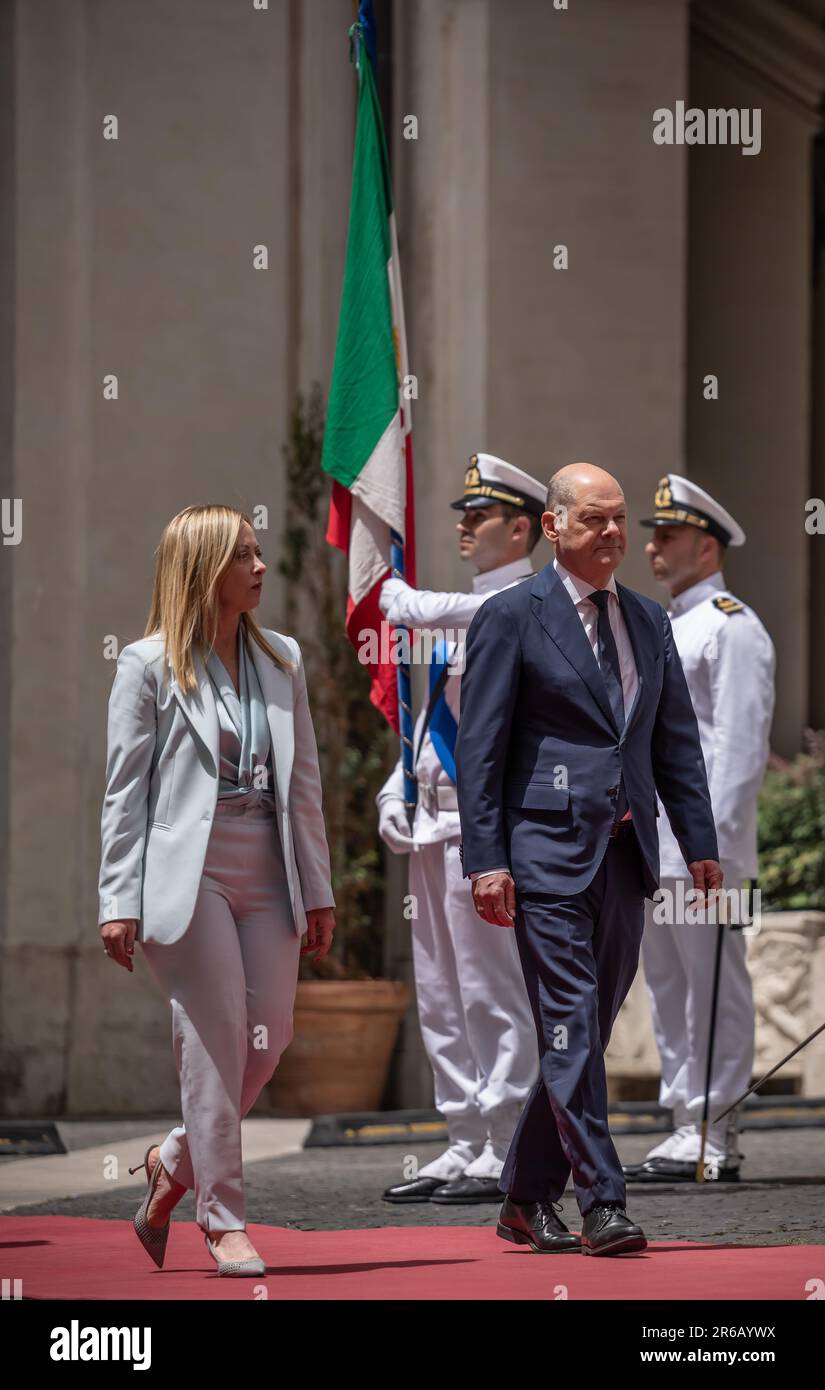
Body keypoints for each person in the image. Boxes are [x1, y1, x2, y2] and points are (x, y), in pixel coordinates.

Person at [455, 462, 722, 1256]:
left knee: (585, 1031)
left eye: (619, 520)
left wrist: (698, 842)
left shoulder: (646, 619)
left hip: (625, 854)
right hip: (542, 855)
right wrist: (485, 859)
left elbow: (673, 742)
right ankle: (602, 1199)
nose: (612, 533)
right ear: (552, 527)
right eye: (593, 520)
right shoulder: (511, 616)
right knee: (570, 1022)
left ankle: (521, 1196)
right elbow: (481, 750)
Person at [98, 505, 335, 1277]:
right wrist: (117, 900)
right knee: (215, 1040)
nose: (260, 567)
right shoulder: (146, 664)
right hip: (187, 875)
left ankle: (173, 1158)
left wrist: (319, 891)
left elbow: (304, 789)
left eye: (260, 552)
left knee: (269, 1036)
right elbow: (124, 793)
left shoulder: (284, 660)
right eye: (243, 556)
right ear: (202, 570)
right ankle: (223, 1218)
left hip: (270, 870)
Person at [376, 454, 542, 1204]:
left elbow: (450, 615)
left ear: (522, 528)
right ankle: (463, 1136)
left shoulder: (533, 603)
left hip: (485, 830)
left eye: (479, 517)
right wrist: (395, 786)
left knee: (488, 988)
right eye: (463, 515)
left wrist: (400, 598)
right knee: (440, 992)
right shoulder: (455, 615)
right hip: (432, 824)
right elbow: (432, 723)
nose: (462, 526)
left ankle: (509, 1139)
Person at [623, 474, 775, 1182]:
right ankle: (685, 1120)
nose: (652, 546)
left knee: (713, 983)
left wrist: (707, 847)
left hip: (704, 848)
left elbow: (739, 753)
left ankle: (717, 1129)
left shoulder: (730, 624)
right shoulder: (667, 625)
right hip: (654, 844)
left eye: (669, 535)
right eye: (652, 534)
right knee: (668, 983)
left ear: (706, 546)